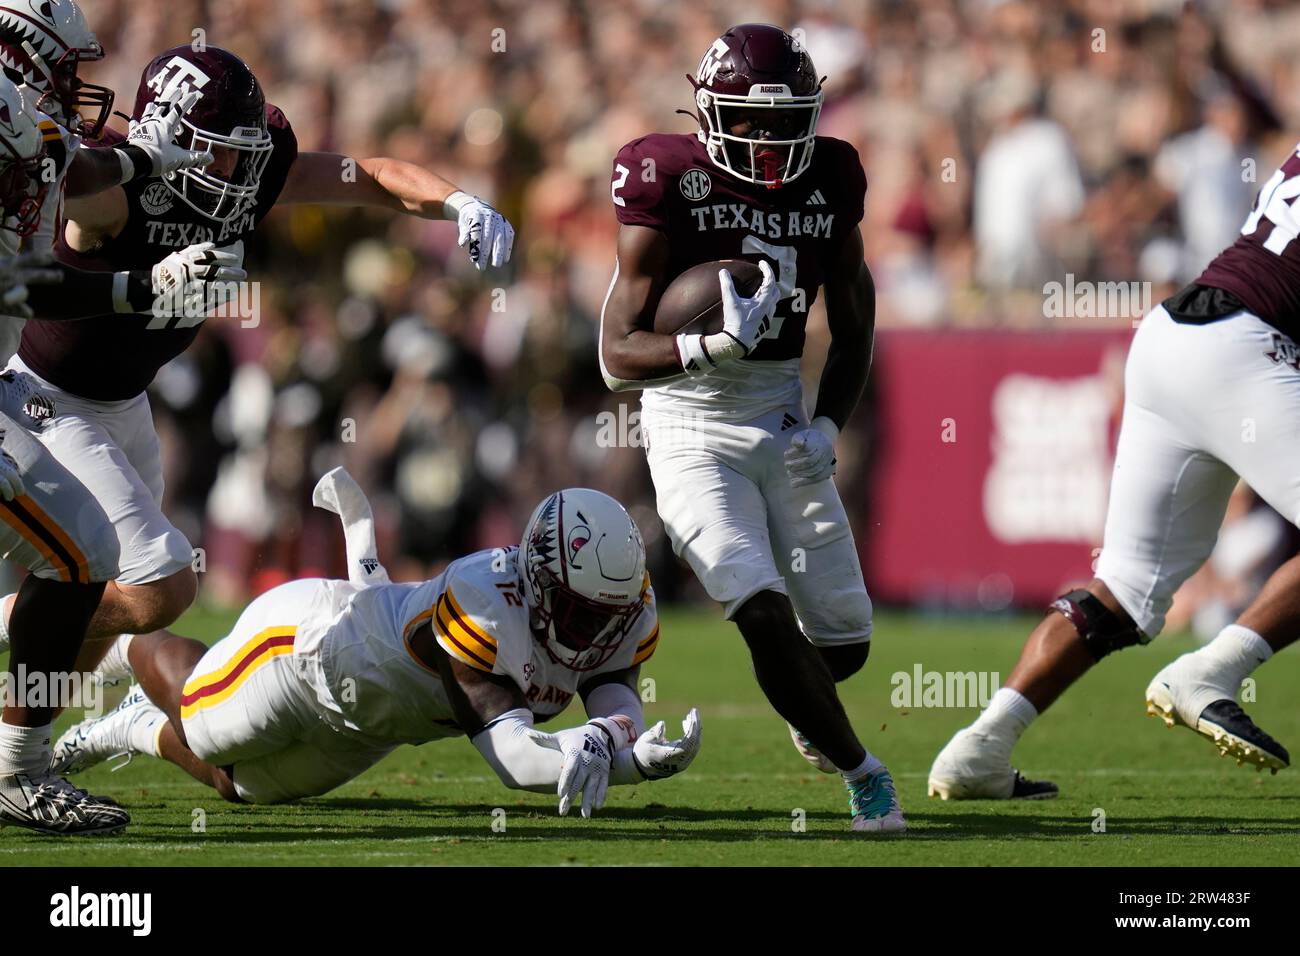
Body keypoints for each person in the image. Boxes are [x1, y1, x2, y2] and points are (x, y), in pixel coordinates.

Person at [0, 43, 515, 684]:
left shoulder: (249, 171)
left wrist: (459, 203)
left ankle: (23, 755)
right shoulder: (113, 187)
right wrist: (126, 165)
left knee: (120, 609)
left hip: (127, 401)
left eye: (243, 148)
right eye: (215, 146)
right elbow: (64, 179)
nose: (236, 166)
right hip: (49, 398)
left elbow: (370, 176)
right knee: (159, 589)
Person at [597, 23, 901, 832]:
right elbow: (615, 355)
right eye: (750, 120)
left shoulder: (832, 175)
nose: (767, 140)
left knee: (843, 648)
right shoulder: (665, 175)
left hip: (781, 410)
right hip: (690, 420)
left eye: (783, 120)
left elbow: (858, 322)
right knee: (756, 604)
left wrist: (831, 423)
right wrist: (705, 346)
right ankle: (864, 775)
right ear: (707, 113)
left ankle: (812, 710)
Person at [928, 139, 1300, 800]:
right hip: (1246, 349)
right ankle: (1213, 671)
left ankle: (978, 748)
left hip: (1172, 337)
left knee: (1123, 591)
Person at [55, 469, 700, 814]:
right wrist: (617, 752)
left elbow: (610, 691)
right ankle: (124, 638)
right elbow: (515, 760)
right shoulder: (483, 605)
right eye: (579, 613)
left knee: (242, 789)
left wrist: (623, 740)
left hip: (376, 724)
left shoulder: (623, 608)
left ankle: (129, 729)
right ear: (537, 582)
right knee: (200, 725)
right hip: (307, 651)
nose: (594, 632)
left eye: (604, 615)